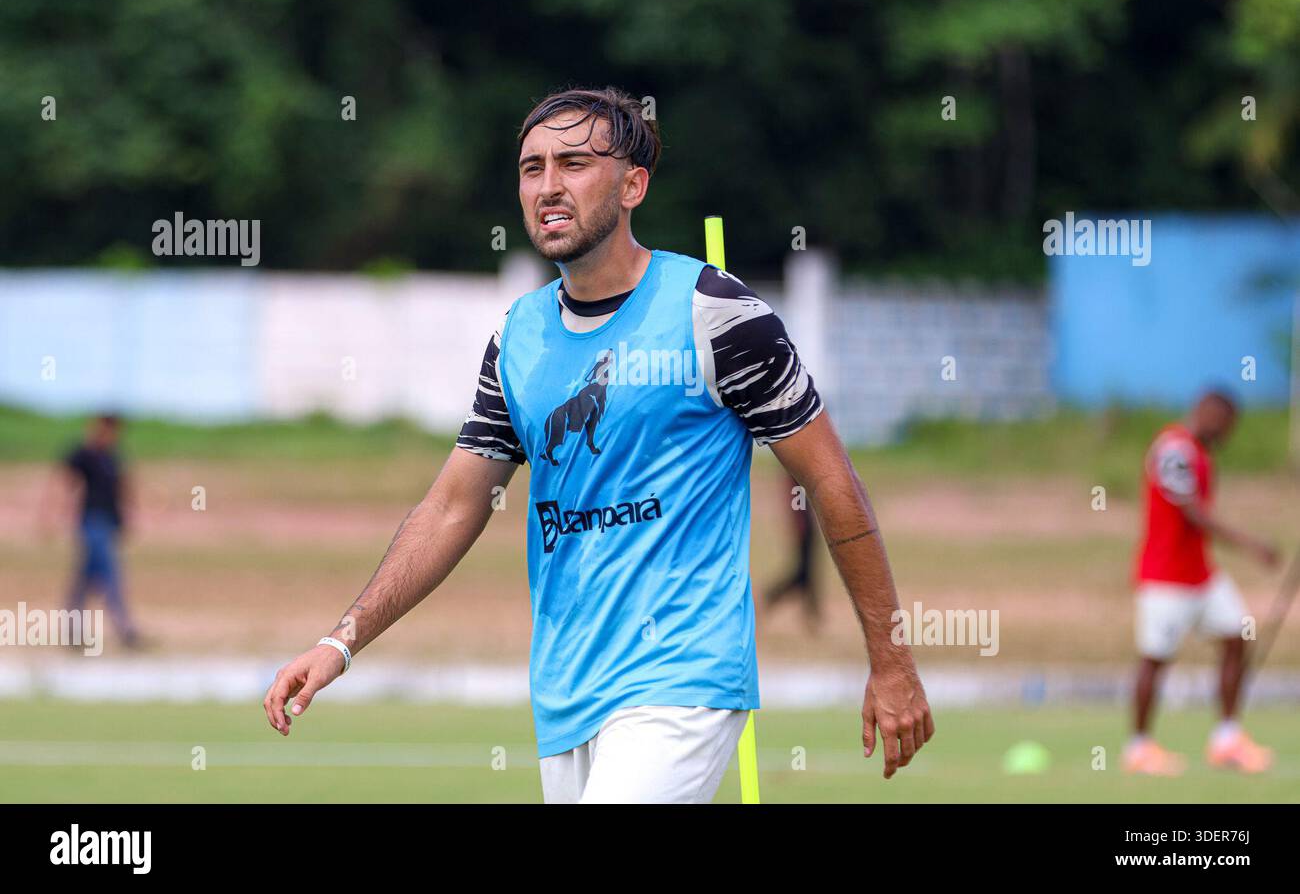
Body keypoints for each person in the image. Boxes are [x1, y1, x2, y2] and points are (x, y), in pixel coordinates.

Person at [263, 86, 933, 802]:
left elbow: (833, 483)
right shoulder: (517, 335)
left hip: (682, 676)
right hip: (565, 690)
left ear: (633, 184)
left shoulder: (715, 312)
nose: (548, 185)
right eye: (532, 167)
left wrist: (890, 661)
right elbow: (453, 507)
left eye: (575, 163)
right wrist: (342, 641)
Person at [1123, 390, 1280, 776]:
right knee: (1154, 659)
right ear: (1208, 413)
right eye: (1227, 424)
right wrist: (1251, 545)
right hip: (1165, 576)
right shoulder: (1173, 449)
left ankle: (1227, 738)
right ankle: (1139, 747)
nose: (1228, 433)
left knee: (1236, 638)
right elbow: (1193, 513)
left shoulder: (1198, 452)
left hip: (1201, 574)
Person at [44, 413, 141, 647]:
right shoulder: (85, 454)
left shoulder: (112, 456)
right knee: (109, 575)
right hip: (91, 522)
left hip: (108, 523)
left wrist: (127, 517)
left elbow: (123, 487)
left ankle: (73, 631)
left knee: (85, 579)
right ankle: (125, 629)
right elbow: (63, 482)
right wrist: (51, 514)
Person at [765, 472, 822, 632]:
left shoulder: (798, 475)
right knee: (801, 573)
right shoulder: (794, 474)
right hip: (804, 528)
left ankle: (811, 614)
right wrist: (802, 526)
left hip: (807, 526)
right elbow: (797, 504)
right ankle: (769, 597)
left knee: (808, 572)